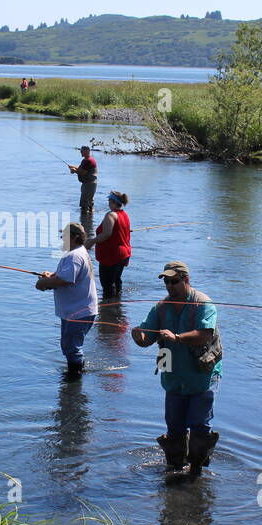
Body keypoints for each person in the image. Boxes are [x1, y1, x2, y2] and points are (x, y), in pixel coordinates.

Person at [130, 262, 221, 476]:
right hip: (172, 375)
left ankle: (197, 469)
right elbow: (147, 339)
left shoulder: (203, 304)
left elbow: (205, 334)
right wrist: (138, 337)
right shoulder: (160, 307)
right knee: (174, 426)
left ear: (186, 280)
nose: (169, 286)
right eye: (166, 282)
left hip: (201, 375)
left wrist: (177, 337)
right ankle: (175, 467)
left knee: (199, 425)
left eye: (174, 281)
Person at [35, 222, 99, 378]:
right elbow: (63, 276)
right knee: (69, 345)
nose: (62, 239)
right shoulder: (78, 252)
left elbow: (66, 280)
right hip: (77, 309)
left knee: (72, 347)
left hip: (79, 311)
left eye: (64, 236)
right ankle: (75, 378)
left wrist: (43, 283)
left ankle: (74, 381)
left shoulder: (74, 256)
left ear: (75, 237)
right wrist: (51, 275)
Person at [85, 191, 131, 299]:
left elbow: (106, 234)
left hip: (112, 255)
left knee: (107, 285)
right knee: (116, 281)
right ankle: (117, 306)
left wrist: (92, 241)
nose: (108, 203)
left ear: (113, 202)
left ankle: (108, 309)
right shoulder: (124, 214)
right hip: (123, 254)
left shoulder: (111, 215)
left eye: (109, 201)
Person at [69, 145, 97, 227]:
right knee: (89, 203)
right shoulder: (87, 160)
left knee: (84, 205)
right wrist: (74, 167)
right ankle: (90, 222)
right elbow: (82, 169)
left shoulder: (88, 161)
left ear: (87, 151)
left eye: (82, 151)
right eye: (80, 151)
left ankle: (84, 224)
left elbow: (83, 172)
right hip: (90, 184)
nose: (80, 152)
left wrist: (74, 171)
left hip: (89, 184)